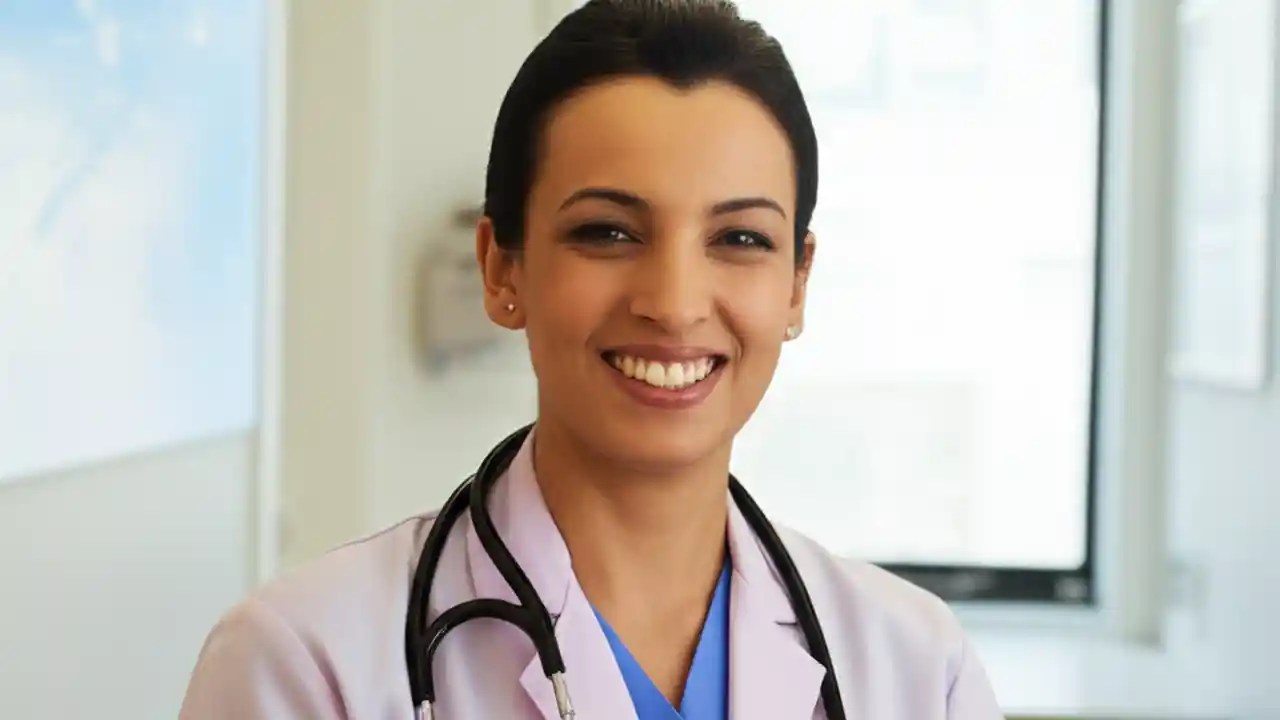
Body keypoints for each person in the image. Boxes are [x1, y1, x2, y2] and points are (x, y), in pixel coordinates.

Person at [179, 1, 1003, 718]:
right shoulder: (308, 665)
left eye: (740, 239)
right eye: (608, 232)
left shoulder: (915, 671)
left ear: (796, 285)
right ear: (503, 269)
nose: (674, 302)